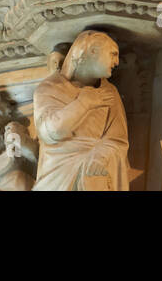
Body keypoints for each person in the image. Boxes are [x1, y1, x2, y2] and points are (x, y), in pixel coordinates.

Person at [32, 30, 129, 191]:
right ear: (92, 51)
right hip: (56, 176)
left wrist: (99, 156)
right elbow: (51, 130)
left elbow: (117, 139)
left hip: (95, 172)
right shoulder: (49, 88)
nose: (117, 62)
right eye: (113, 54)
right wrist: (84, 103)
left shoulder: (110, 92)